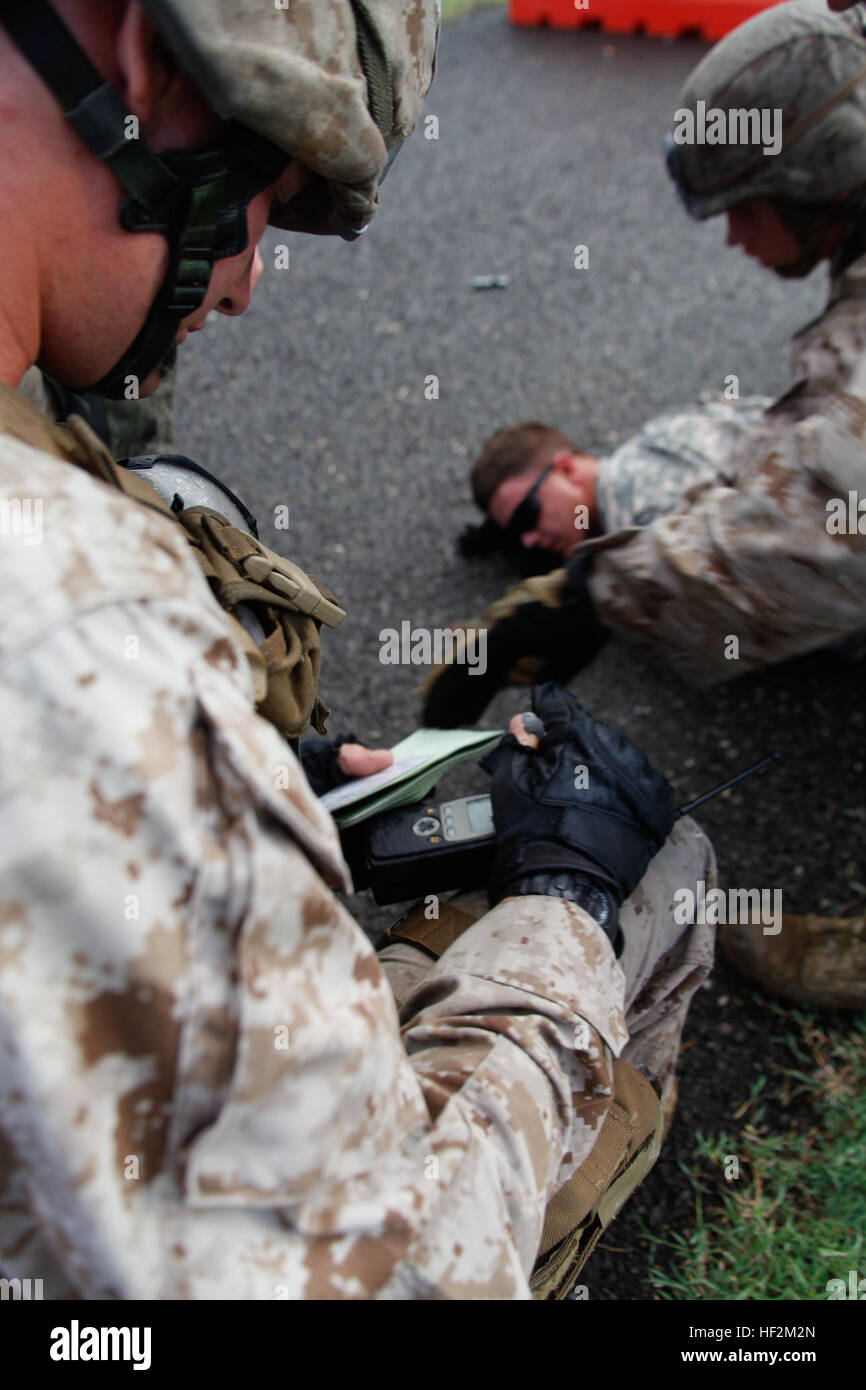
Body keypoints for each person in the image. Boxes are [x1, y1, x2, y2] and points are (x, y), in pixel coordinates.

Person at [0, 0, 717, 1300]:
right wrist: (565, 917)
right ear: (148, 64)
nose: (242, 278)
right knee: (661, 870)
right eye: (260, 204)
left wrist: (276, 776)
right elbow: (379, 1281)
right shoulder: (76, 622)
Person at [423, 0, 866, 717]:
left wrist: (599, 594)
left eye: (747, 209)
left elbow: (830, 528)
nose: (733, 238)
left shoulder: (633, 489)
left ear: (820, 177)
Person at [467, 400, 770, 564]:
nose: (527, 540)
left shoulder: (644, 516)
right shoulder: (650, 441)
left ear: (566, 469)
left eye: (527, 516)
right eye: (516, 531)